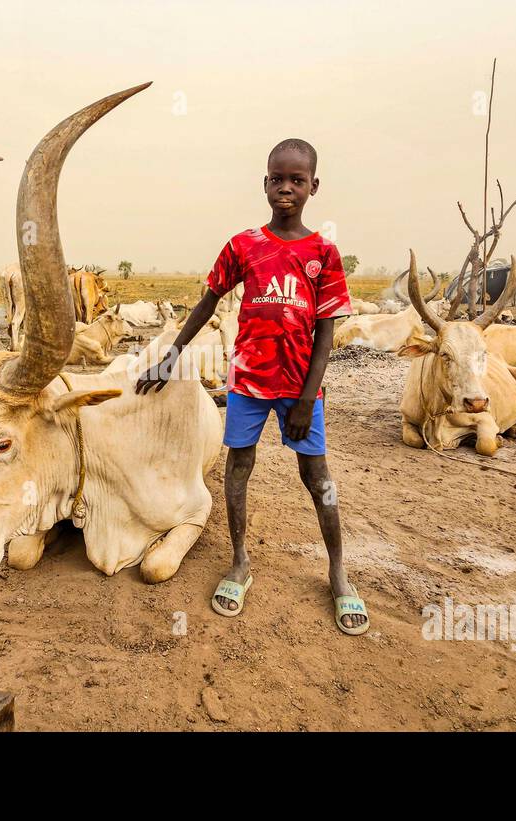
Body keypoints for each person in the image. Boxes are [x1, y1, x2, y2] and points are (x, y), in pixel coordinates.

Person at [134, 138, 367, 635]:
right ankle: (240, 563)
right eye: (277, 179)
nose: (286, 188)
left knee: (317, 478)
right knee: (238, 467)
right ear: (264, 184)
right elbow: (207, 302)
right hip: (247, 382)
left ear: (313, 187)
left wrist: (308, 396)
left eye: (297, 180)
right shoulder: (243, 245)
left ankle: (338, 571)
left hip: (300, 388)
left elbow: (325, 329)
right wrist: (170, 356)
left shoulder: (323, 251)